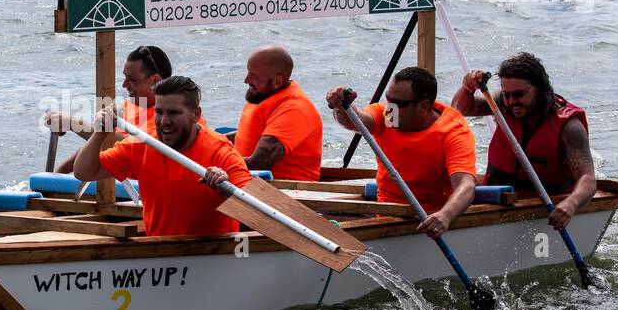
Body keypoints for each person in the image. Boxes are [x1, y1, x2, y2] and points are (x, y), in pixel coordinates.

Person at [73, 76, 252, 237]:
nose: (164, 121)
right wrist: (99, 134)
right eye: (159, 112)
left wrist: (226, 190)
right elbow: (84, 172)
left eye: (173, 113)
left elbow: (255, 207)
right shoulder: (143, 143)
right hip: (161, 252)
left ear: (195, 115)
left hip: (212, 253)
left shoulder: (220, 151)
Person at [325, 67, 477, 239]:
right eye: (388, 98)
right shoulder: (391, 116)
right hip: (384, 211)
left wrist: (445, 216)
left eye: (397, 103)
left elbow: (466, 186)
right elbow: (356, 121)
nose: (389, 107)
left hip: (427, 218)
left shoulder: (452, 132)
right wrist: (341, 107)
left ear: (424, 106)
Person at [450, 52, 596, 230]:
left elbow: (587, 179)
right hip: (497, 201)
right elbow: (460, 108)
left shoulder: (570, 126)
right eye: (506, 95)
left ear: (540, 88)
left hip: (544, 207)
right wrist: (467, 88)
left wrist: (571, 204)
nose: (511, 102)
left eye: (518, 94)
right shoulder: (501, 104)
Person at [45, 45, 204, 173]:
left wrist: (75, 124)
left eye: (132, 80)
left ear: (155, 81)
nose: (124, 85)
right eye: (125, 78)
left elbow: (138, 146)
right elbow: (102, 144)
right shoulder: (130, 106)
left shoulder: (184, 116)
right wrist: (56, 176)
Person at [229, 45, 323, 180]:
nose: (246, 80)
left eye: (254, 76)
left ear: (277, 81)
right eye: (248, 73)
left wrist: (213, 162)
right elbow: (248, 134)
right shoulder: (262, 94)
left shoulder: (294, 109)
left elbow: (259, 163)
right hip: (248, 183)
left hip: (285, 192)